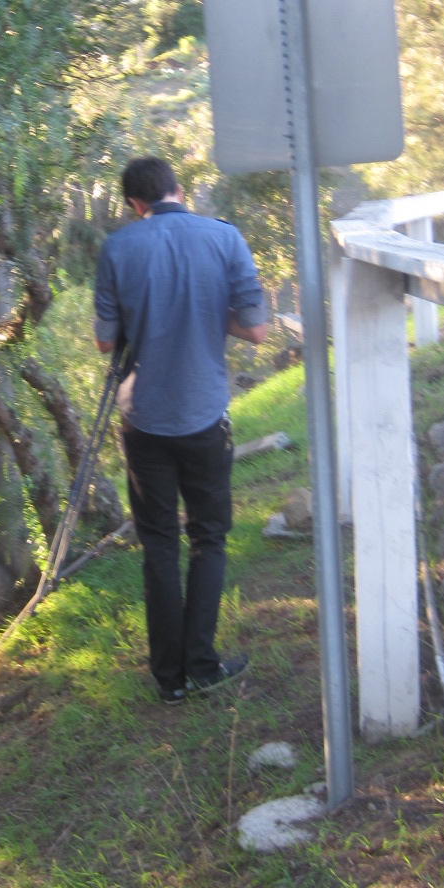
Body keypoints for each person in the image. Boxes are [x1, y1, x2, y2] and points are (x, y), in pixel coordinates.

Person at [93, 156, 269, 703]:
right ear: (179, 190)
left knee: (159, 545)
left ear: (134, 205)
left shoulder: (118, 248)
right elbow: (258, 329)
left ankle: (170, 679)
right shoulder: (224, 238)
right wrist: (211, 311)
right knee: (209, 538)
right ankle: (203, 663)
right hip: (203, 415)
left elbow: (105, 341)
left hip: (143, 417)